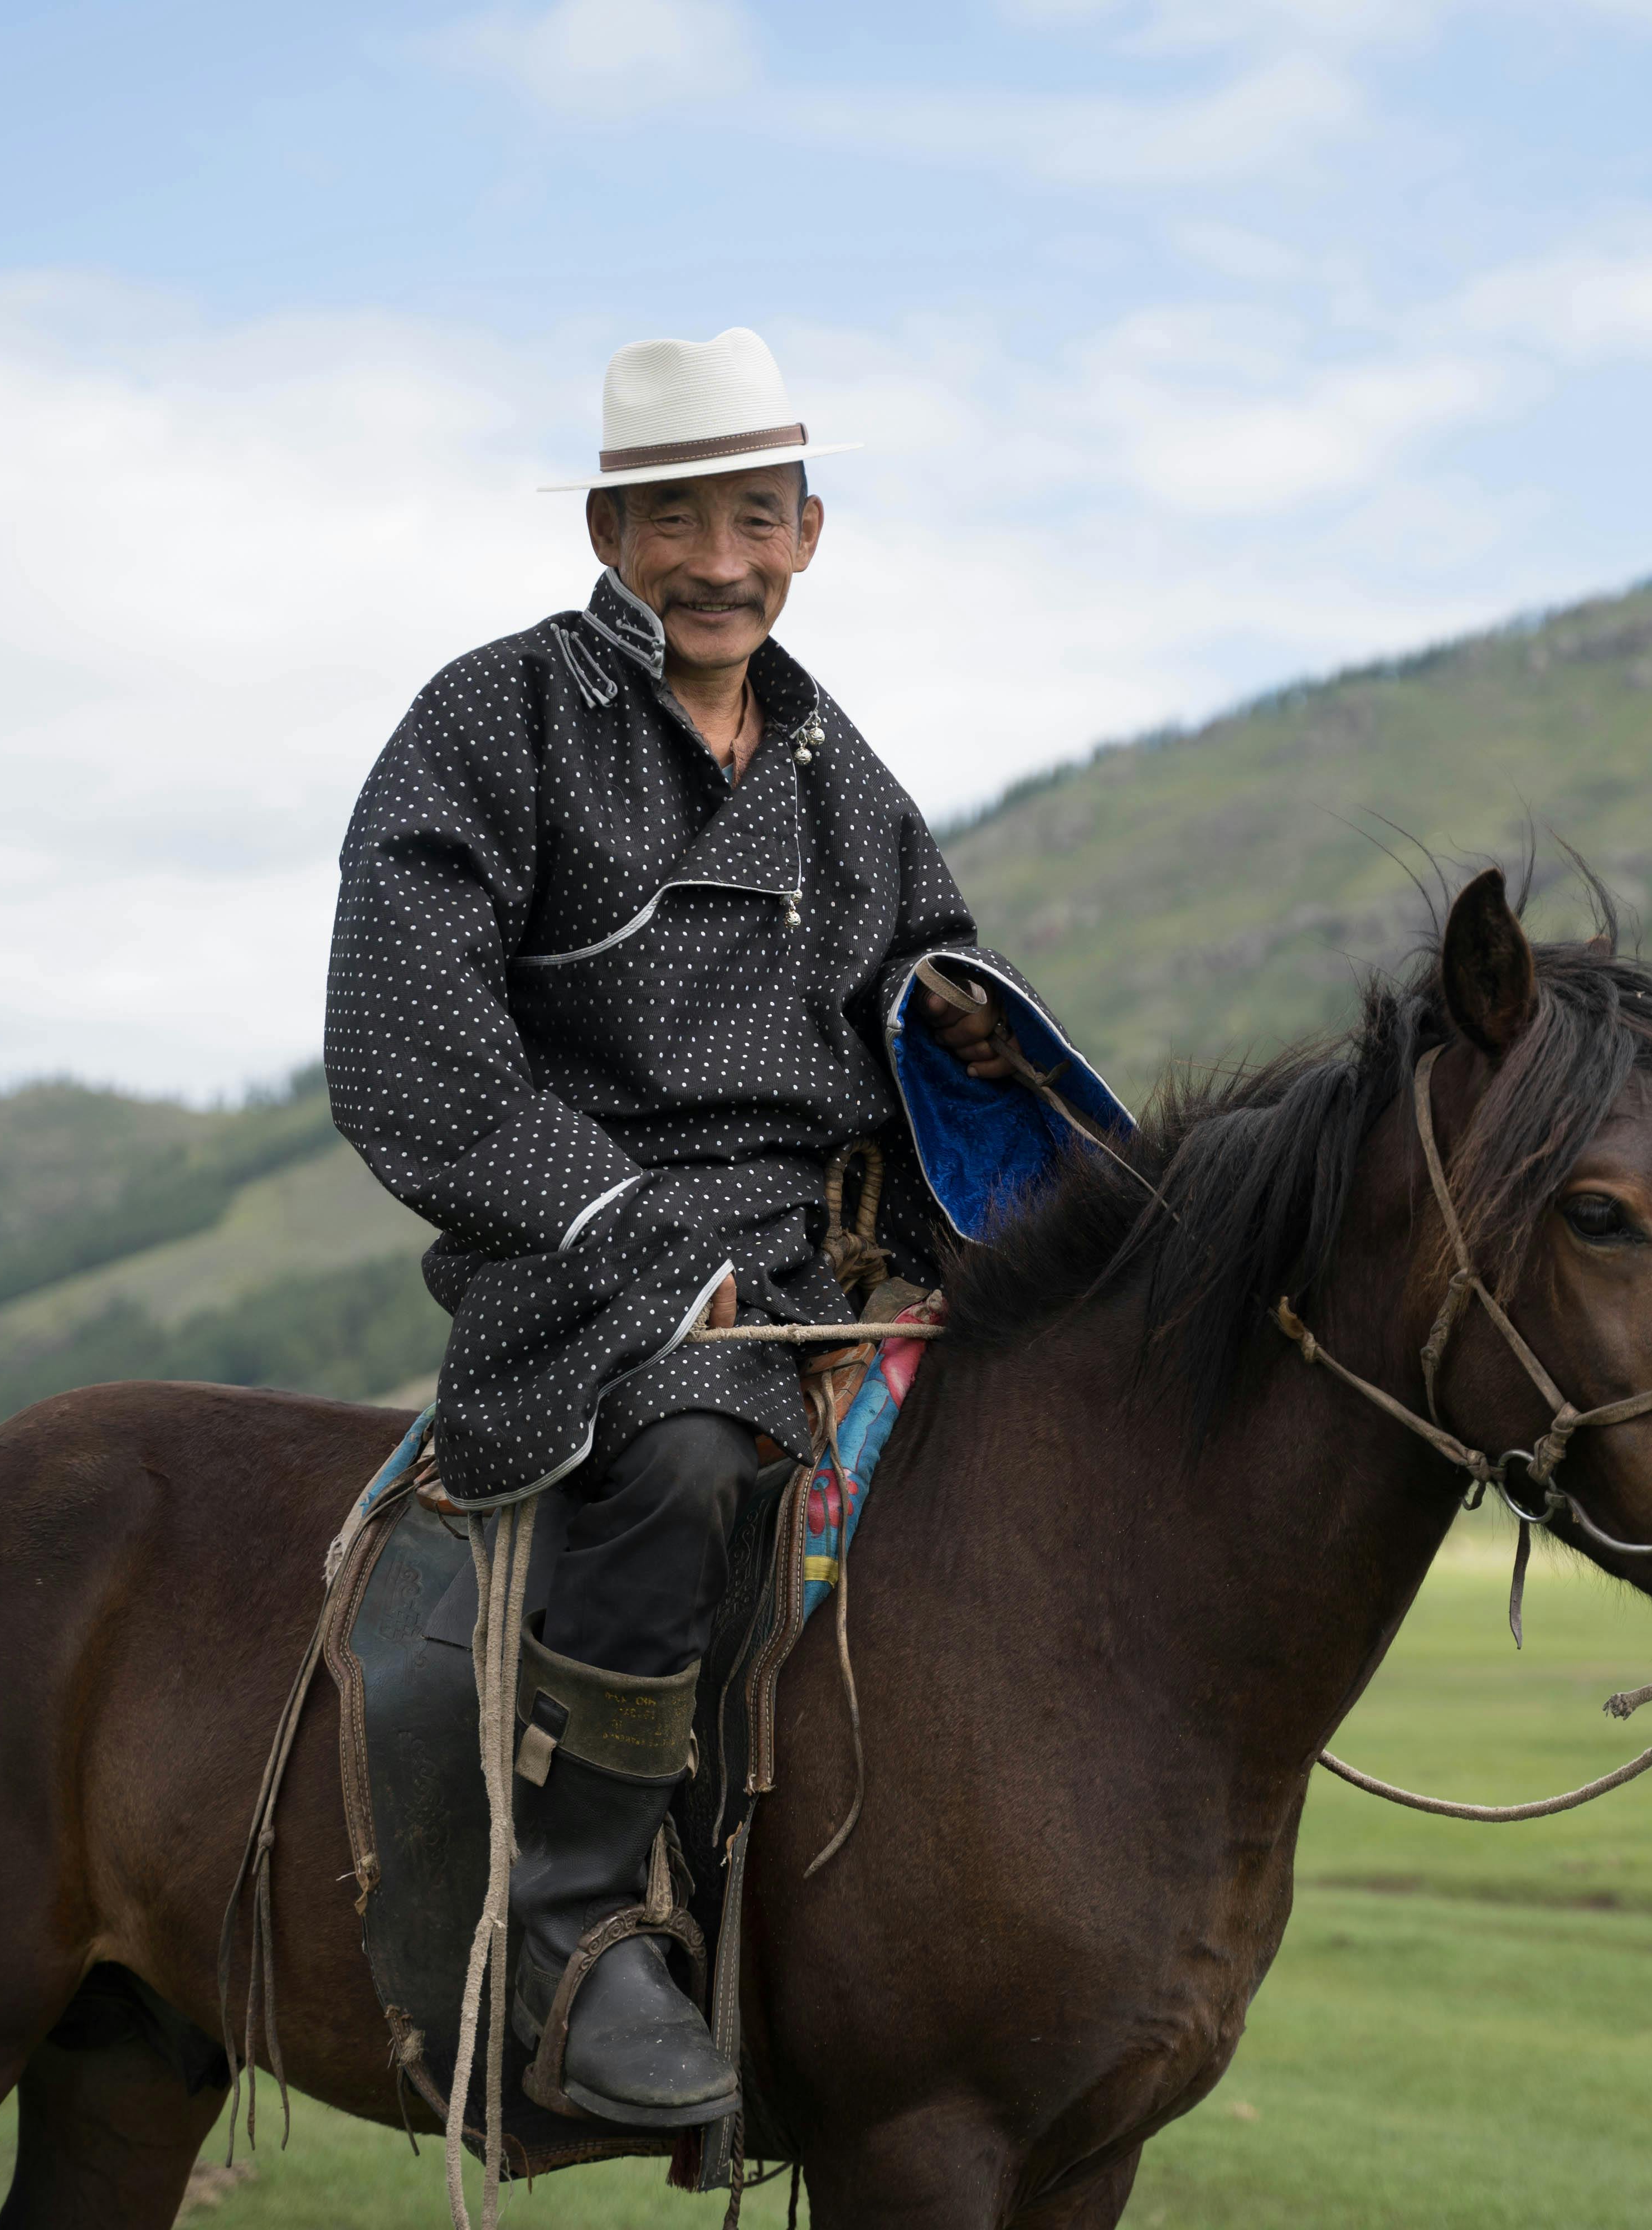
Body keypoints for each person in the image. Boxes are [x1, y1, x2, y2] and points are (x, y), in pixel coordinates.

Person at [323, 329, 1124, 2129]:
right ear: (611, 532)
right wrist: (616, 1227)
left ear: (811, 534)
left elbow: (917, 994)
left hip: (818, 1257)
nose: (718, 560)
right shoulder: (492, 720)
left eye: (754, 519)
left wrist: (960, 1021)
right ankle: (579, 1929)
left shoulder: (843, 771)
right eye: (674, 520)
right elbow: (405, 1038)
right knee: (692, 1456)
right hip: (584, 1257)